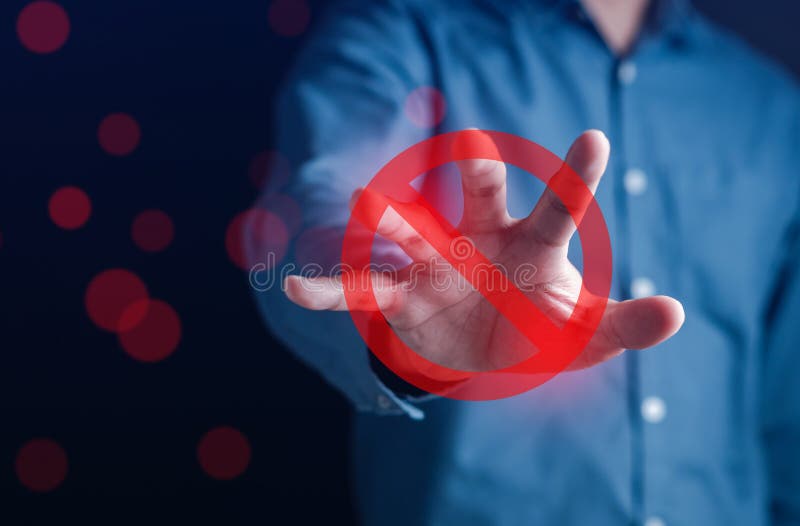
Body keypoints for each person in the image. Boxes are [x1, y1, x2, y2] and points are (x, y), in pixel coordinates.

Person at [251, 0, 800, 524]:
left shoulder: (769, 106)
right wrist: (399, 323)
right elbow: (322, 193)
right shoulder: (404, 30)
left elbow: (788, 405)